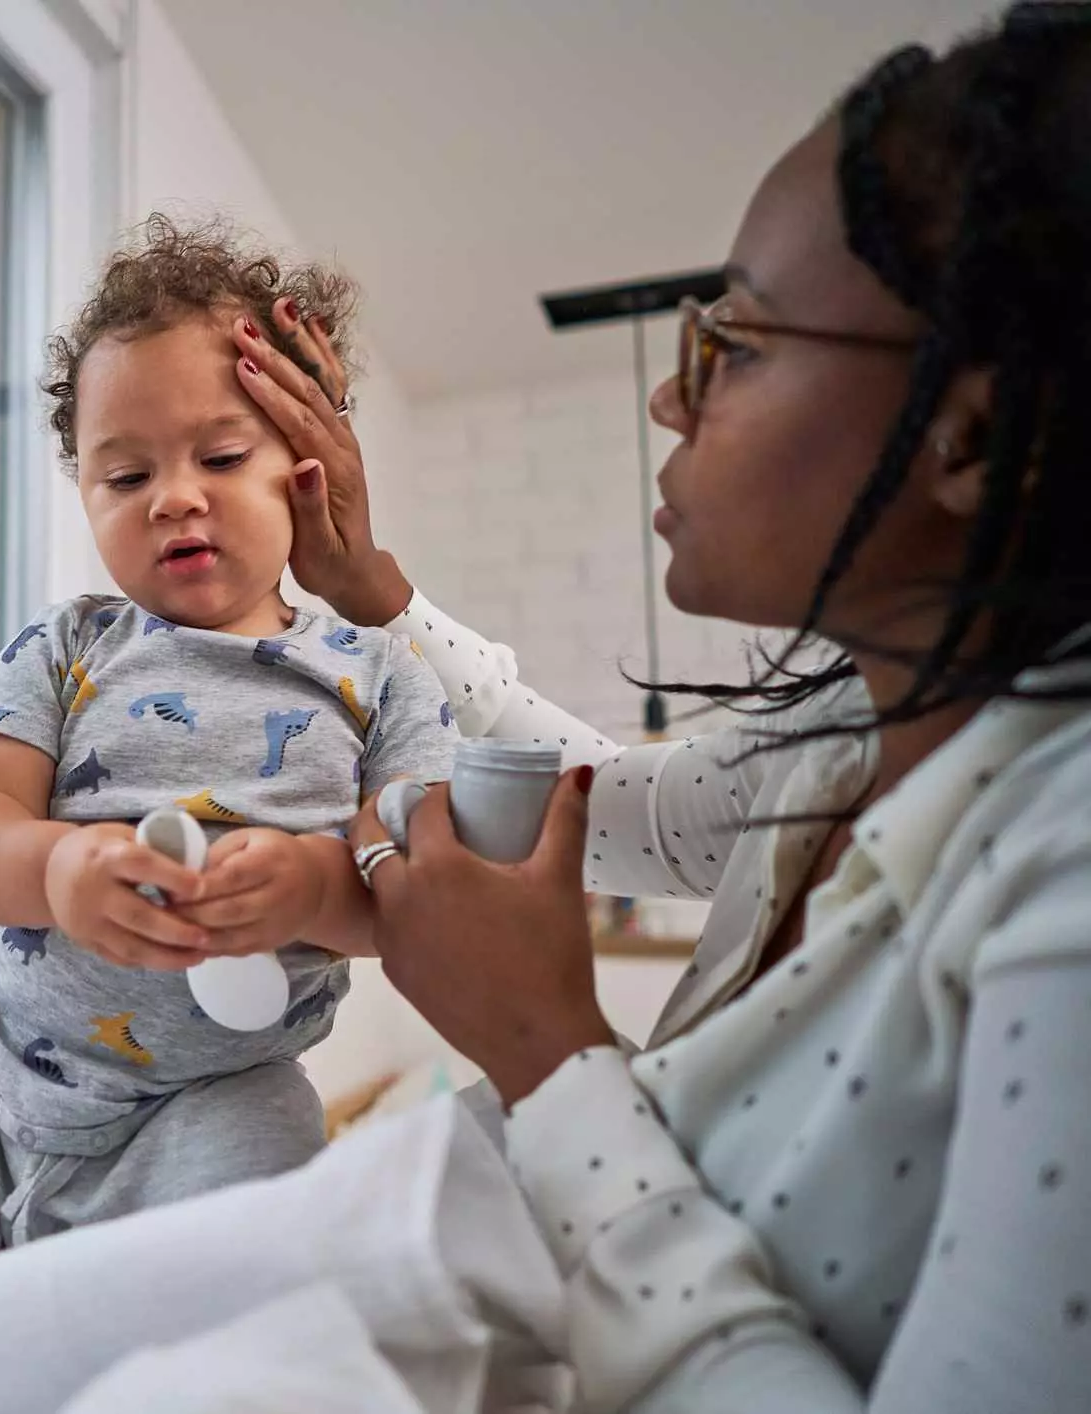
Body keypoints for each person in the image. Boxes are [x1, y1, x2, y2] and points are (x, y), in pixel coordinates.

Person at [218, 7, 1091, 1409]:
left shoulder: (1065, 872)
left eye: (732, 346)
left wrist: (547, 1056)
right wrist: (376, 594)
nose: (671, 408)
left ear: (971, 435)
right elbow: (597, 804)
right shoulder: (827, 748)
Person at [0, 218, 460, 1325]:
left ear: (302, 471)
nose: (172, 495)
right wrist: (55, 869)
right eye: (124, 473)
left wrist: (308, 889)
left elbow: (420, 900)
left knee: (245, 1310)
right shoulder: (66, 647)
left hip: (209, 1099)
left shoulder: (378, 677)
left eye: (217, 457)